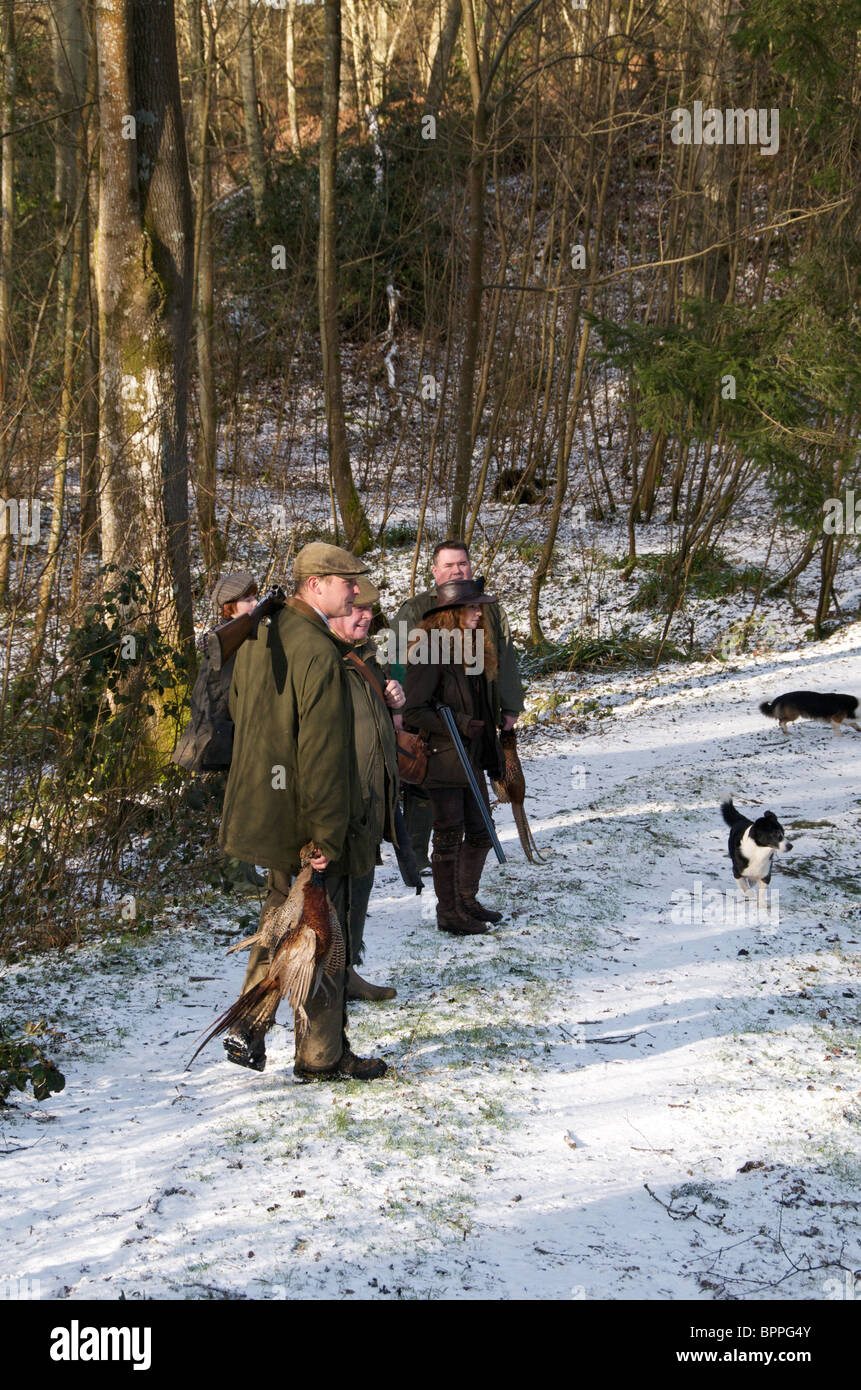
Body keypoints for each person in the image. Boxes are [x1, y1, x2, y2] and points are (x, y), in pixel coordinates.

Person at [218, 542, 387, 1082]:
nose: (356, 592)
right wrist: (324, 836)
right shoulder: (317, 651)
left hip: (267, 813)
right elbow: (320, 755)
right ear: (315, 585)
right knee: (322, 936)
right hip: (306, 821)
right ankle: (321, 1055)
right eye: (348, 583)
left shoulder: (261, 636)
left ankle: (249, 1022)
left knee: (282, 924)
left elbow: (241, 713)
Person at [392, 540, 524, 872]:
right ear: (435, 571)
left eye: (462, 564)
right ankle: (417, 857)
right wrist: (398, 712)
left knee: (471, 778)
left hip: (476, 715)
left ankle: (468, 851)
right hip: (429, 717)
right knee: (424, 787)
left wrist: (510, 706)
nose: (457, 570)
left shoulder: (488, 608)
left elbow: (505, 659)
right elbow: (396, 659)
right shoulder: (415, 608)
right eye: (449, 566)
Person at [402, 578, 505, 935]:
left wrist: (493, 749)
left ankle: (466, 900)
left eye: (479, 607)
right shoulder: (429, 649)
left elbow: (482, 707)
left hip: (472, 756)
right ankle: (449, 912)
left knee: (481, 832)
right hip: (443, 757)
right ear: (450, 613)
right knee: (449, 835)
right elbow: (413, 710)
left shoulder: (473, 646)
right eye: (472, 607)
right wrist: (460, 723)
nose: (479, 613)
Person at [172, 572, 282, 892]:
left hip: (234, 731)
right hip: (223, 733)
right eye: (247, 600)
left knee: (245, 805)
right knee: (238, 807)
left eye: (255, 598)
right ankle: (238, 876)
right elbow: (224, 692)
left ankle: (243, 872)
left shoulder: (243, 636)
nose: (253, 604)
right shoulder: (223, 640)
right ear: (229, 608)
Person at [330, 577, 405, 1002]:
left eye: (370, 612)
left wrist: (393, 699)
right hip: (339, 799)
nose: (364, 617)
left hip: (370, 798)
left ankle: (346, 972)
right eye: (356, 609)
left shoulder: (368, 658)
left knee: (361, 885)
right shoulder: (325, 660)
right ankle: (324, 980)